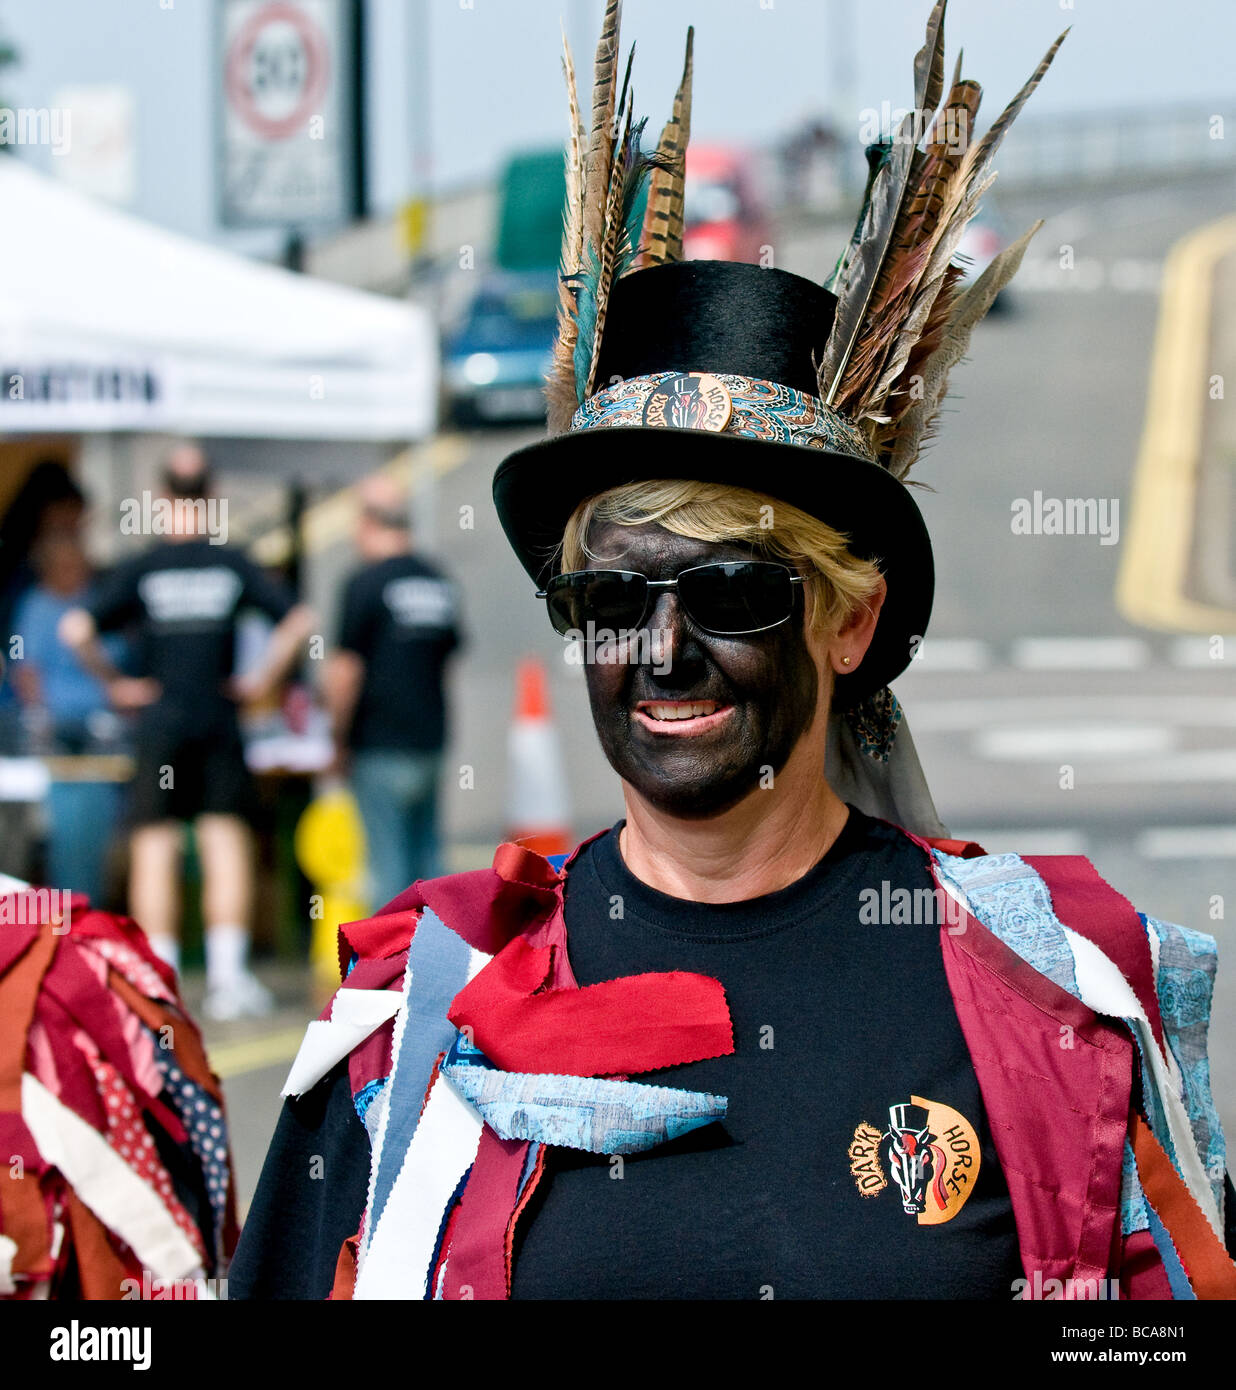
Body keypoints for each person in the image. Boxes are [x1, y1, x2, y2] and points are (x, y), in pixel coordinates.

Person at [232, 1, 1235, 1300]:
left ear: (850, 618)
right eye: (613, 597)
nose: (664, 648)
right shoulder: (417, 1012)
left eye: (732, 592)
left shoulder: (1055, 991)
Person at [58, 445, 316, 1021]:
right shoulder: (232, 563)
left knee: (155, 845)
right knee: (226, 840)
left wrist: (117, 684)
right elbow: (299, 618)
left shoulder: (144, 566)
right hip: (219, 719)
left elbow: (76, 628)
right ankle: (228, 977)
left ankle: (160, 980)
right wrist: (260, 680)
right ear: (211, 496)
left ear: (162, 499)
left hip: (160, 723)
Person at [323, 473, 463, 908]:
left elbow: (345, 673)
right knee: (429, 862)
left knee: (387, 870)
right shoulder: (438, 581)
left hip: (379, 744)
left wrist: (336, 740)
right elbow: (447, 659)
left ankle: (391, 971)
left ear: (368, 524)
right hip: (430, 743)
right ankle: (445, 966)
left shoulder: (363, 583)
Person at [10, 530, 128, 905]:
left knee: (99, 821)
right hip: (55, 731)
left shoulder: (97, 605)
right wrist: (41, 714)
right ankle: (68, 909)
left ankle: (92, 907)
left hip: (101, 729)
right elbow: (26, 670)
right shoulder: (37, 607)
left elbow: (116, 667)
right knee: (62, 824)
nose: (73, 573)